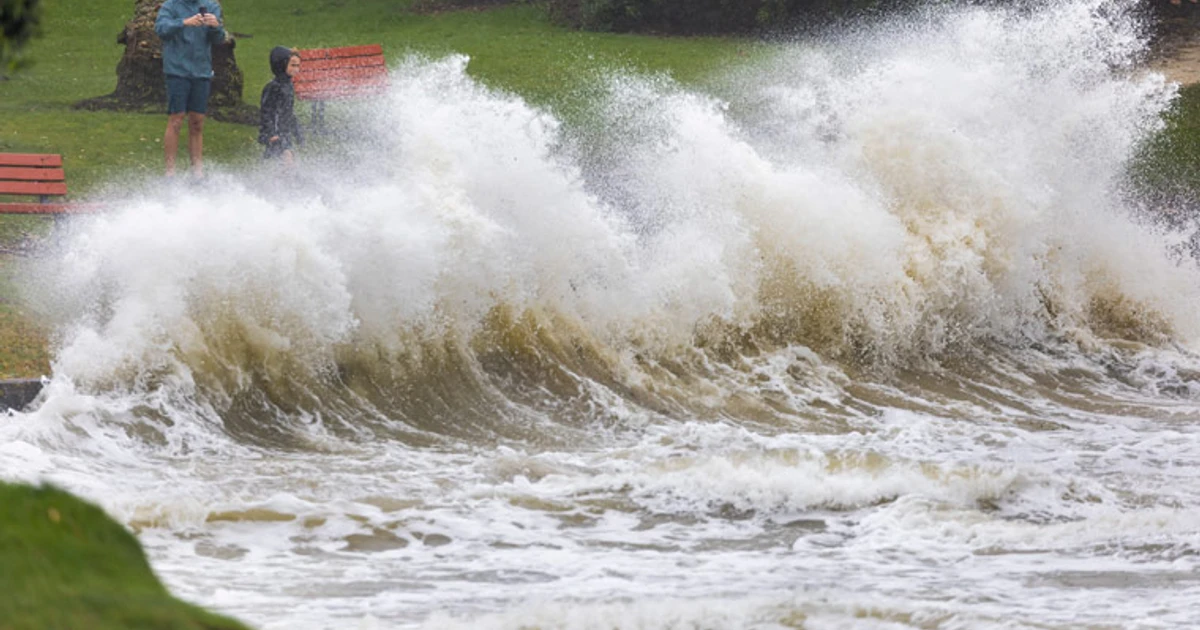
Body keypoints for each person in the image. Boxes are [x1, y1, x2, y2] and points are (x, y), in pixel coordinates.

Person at [154, 0, 225, 179]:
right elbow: (161, 29)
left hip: (201, 72)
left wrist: (215, 26)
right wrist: (184, 22)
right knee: (176, 119)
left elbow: (219, 39)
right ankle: (170, 173)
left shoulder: (212, 6)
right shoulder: (170, 6)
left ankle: (197, 173)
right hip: (177, 71)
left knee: (197, 121)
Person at [258, 47, 304, 165]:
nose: (296, 69)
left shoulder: (288, 86)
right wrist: (271, 133)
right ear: (281, 65)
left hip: (285, 132)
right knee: (286, 159)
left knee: (279, 160)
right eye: (293, 65)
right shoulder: (273, 87)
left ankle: (268, 173)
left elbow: (289, 111)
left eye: (298, 66)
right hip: (275, 133)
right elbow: (266, 112)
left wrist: (297, 130)